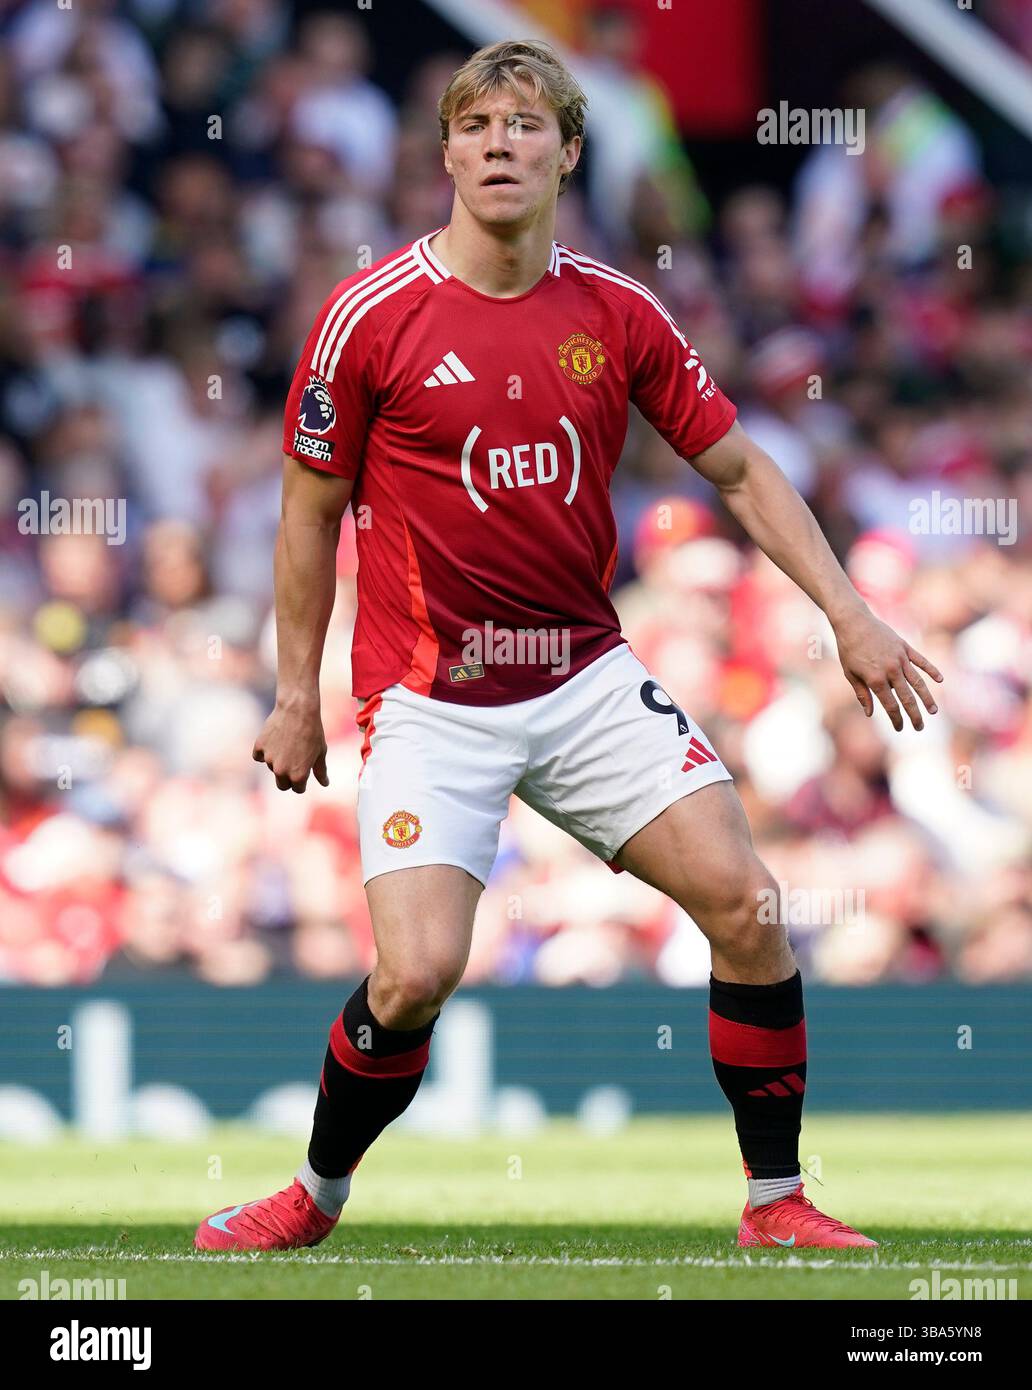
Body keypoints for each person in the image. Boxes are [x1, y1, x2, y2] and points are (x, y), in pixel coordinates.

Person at [195, 40, 942, 1253]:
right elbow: (309, 508)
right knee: (414, 977)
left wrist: (847, 612)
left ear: (567, 154)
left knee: (750, 906)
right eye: (478, 124)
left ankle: (776, 1203)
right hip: (431, 698)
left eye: (526, 126)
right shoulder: (367, 316)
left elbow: (743, 471)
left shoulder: (619, 310)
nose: (501, 144)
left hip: (586, 673)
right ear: (444, 153)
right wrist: (296, 693)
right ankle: (314, 1195)